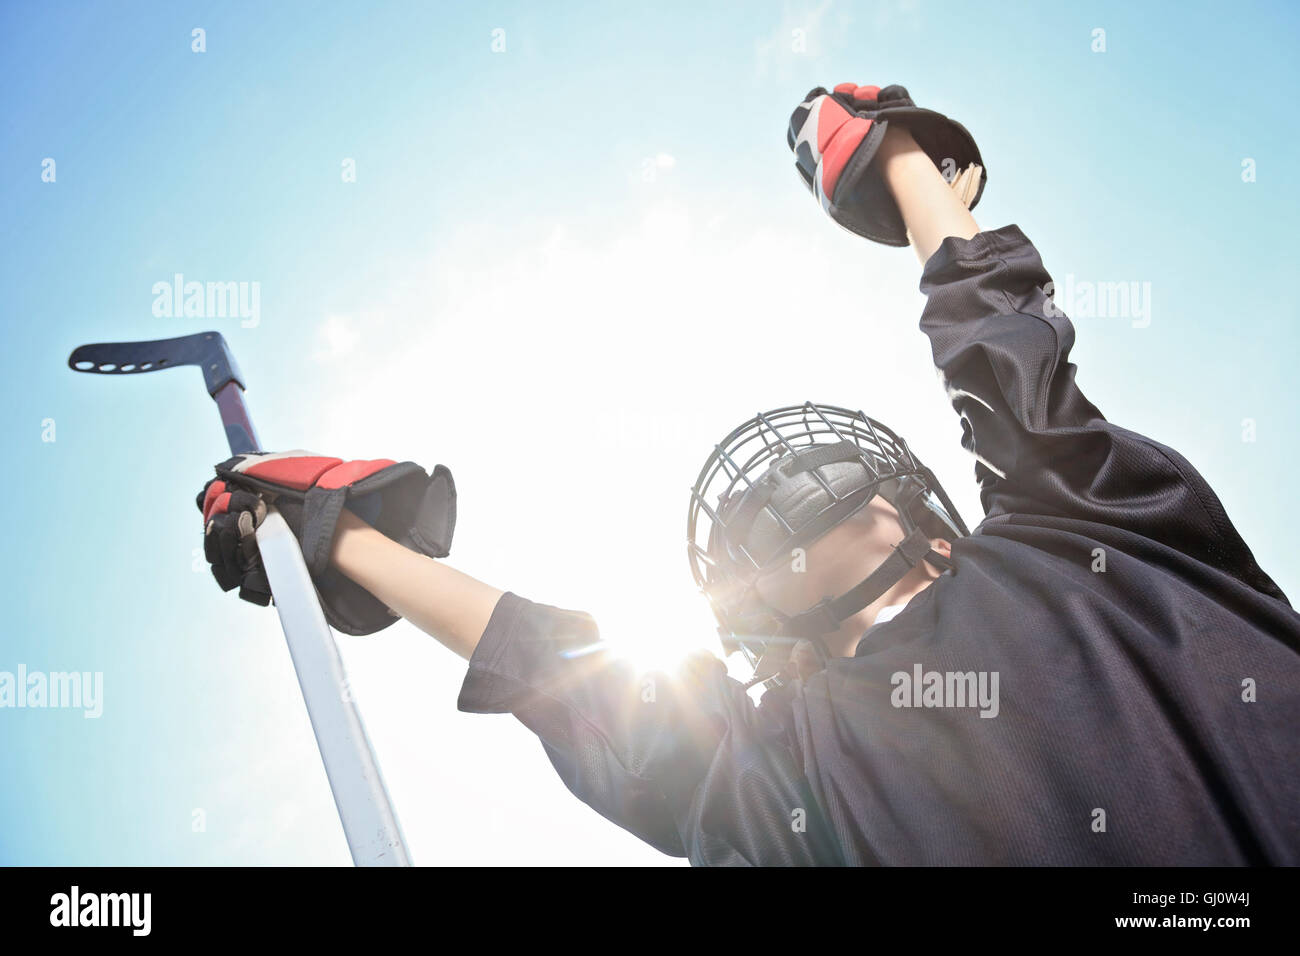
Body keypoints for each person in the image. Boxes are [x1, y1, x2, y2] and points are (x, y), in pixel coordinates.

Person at [198, 83, 1300, 865]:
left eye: (814, 474)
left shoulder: (1080, 531)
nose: (783, 490)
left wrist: (893, 155)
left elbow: (997, 331)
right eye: (754, 520)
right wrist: (339, 534)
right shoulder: (782, 773)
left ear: (919, 503)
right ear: (756, 616)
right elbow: (553, 666)